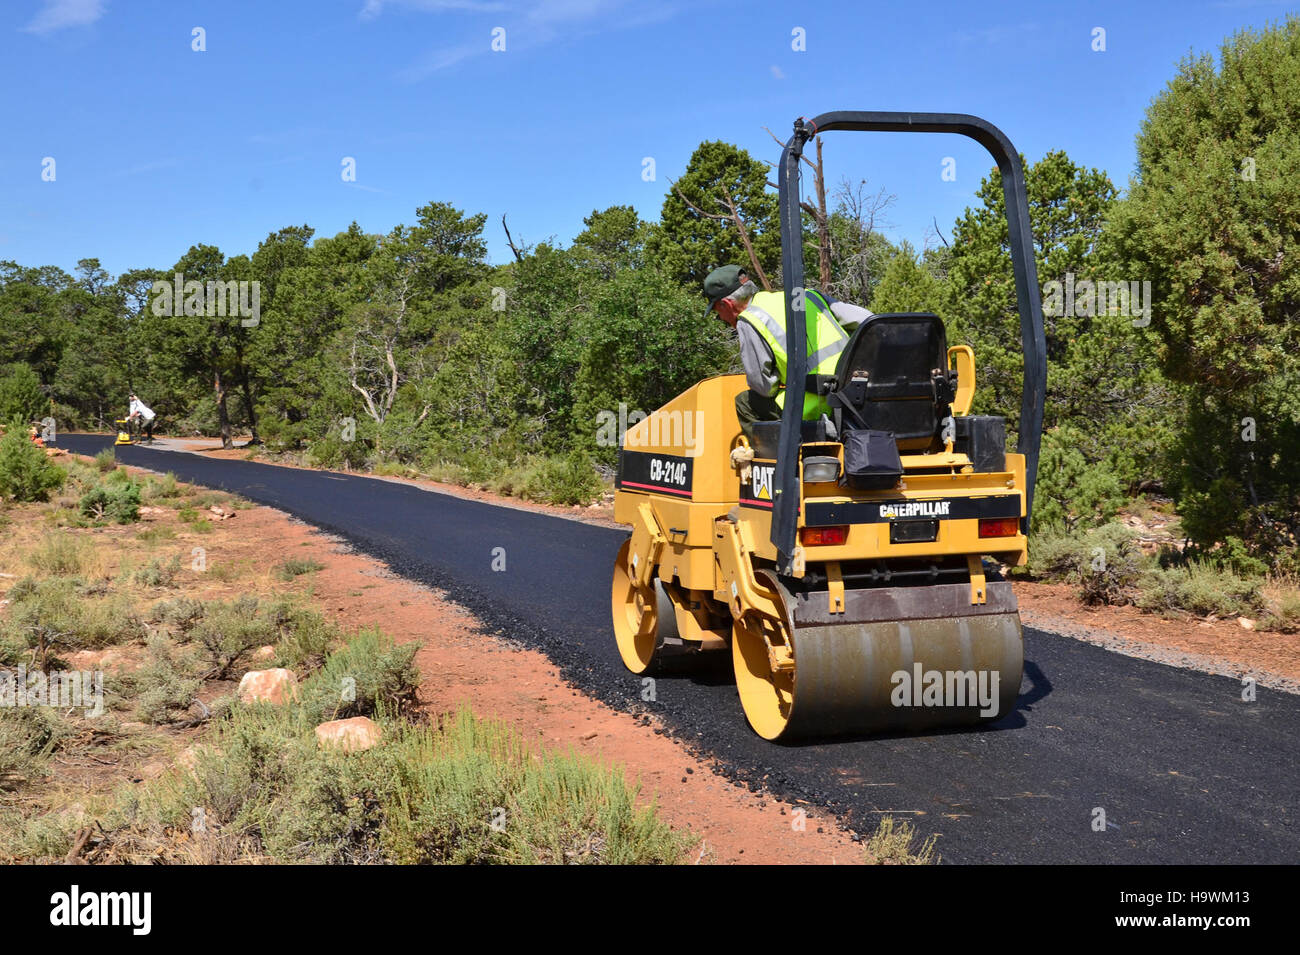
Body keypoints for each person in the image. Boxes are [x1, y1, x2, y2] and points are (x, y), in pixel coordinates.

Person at [703, 264, 873, 438]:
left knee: (744, 402)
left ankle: (777, 459)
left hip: (816, 404)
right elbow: (867, 320)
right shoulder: (808, 296)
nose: (721, 319)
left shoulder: (750, 320)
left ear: (726, 304)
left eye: (717, 313)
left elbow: (763, 387)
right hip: (855, 393)